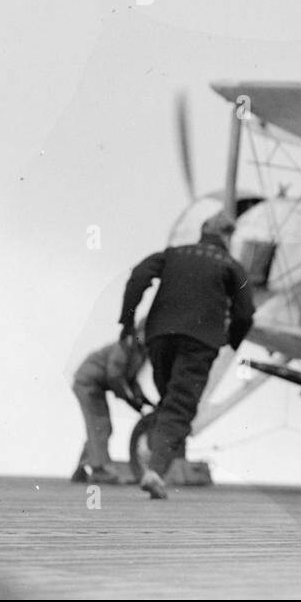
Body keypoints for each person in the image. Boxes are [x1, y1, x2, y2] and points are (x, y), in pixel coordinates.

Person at [118, 211, 255, 498]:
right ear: (228, 236)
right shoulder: (232, 265)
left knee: (169, 398)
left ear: (203, 230)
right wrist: (231, 341)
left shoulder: (173, 254)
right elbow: (245, 313)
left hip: (159, 337)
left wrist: (127, 322)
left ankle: (158, 456)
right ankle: (155, 470)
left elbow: (138, 277)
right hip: (200, 342)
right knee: (180, 405)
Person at [71, 334, 153, 484]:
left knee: (99, 427)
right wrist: (132, 402)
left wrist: (145, 402)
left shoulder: (139, 354)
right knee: (100, 426)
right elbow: (115, 377)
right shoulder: (123, 349)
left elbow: (131, 381)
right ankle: (100, 470)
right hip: (87, 383)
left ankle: (82, 468)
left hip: (94, 384)